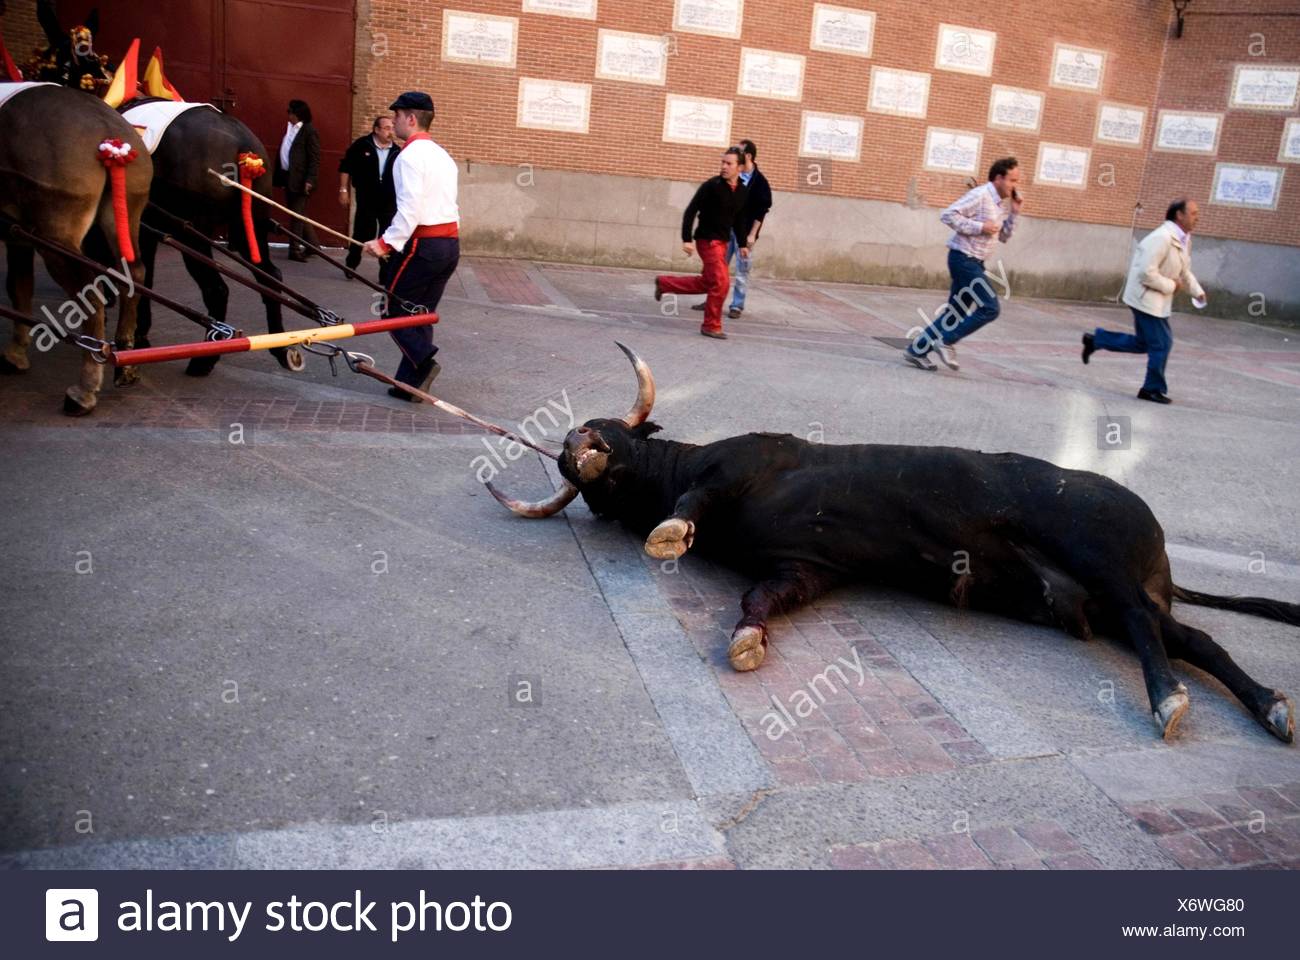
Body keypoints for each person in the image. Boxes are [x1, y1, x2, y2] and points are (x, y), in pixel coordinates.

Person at [362, 91, 460, 401]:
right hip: (449, 245)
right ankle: (410, 384)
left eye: (397, 116)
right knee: (421, 312)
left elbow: (410, 208)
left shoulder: (408, 156)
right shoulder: (442, 154)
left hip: (424, 246)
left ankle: (423, 358)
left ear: (411, 119)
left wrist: (385, 243)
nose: (393, 122)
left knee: (393, 309)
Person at [1082, 199, 1206, 404]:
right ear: (1179, 215)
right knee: (1162, 344)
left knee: (1144, 344)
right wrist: (1171, 286)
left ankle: (1096, 340)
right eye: (1193, 213)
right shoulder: (1161, 237)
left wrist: (1197, 292)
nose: (1197, 217)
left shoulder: (1184, 239)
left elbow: (1184, 271)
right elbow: (1145, 273)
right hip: (1144, 299)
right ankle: (1151, 389)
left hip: (1157, 301)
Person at [906, 157, 1023, 371]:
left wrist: (1015, 212)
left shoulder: (1000, 204)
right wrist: (980, 226)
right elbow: (948, 215)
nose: (1015, 185)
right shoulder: (980, 195)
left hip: (975, 262)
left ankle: (917, 350)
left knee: (955, 313)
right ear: (998, 178)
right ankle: (947, 341)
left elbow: (1004, 236)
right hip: (963, 259)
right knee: (990, 308)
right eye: (1012, 180)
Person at [654, 147, 749, 340]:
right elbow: (690, 211)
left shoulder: (742, 191)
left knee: (708, 283)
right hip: (707, 240)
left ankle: (664, 283)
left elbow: (739, 219)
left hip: (722, 243)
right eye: (722, 162)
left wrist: (742, 244)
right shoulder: (711, 186)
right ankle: (711, 325)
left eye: (728, 163)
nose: (724, 166)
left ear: (739, 167)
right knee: (722, 283)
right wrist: (686, 239)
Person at [692, 138, 770, 320]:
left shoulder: (760, 182)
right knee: (716, 266)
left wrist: (751, 235)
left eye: (739, 151)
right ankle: (712, 300)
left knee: (742, 271)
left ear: (748, 156)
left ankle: (737, 306)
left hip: (745, 234)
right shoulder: (730, 177)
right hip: (725, 231)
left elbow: (762, 211)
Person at [338, 115, 401, 272]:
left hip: (388, 201)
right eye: (387, 128)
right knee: (362, 232)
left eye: (392, 127)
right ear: (376, 130)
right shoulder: (362, 145)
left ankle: (385, 273)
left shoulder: (397, 151)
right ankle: (351, 264)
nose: (391, 131)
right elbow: (346, 167)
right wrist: (343, 190)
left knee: (386, 236)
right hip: (367, 199)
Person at [273, 99, 321, 262]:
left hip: (301, 180)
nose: (288, 114)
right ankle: (313, 245)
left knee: (296, 215)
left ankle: (294, 249)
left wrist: (310, 180)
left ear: (297, 114)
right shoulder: (290, 128)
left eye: (290, 111)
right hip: (288, 177)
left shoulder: (309, 131)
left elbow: (314, 158)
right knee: (298, 213)